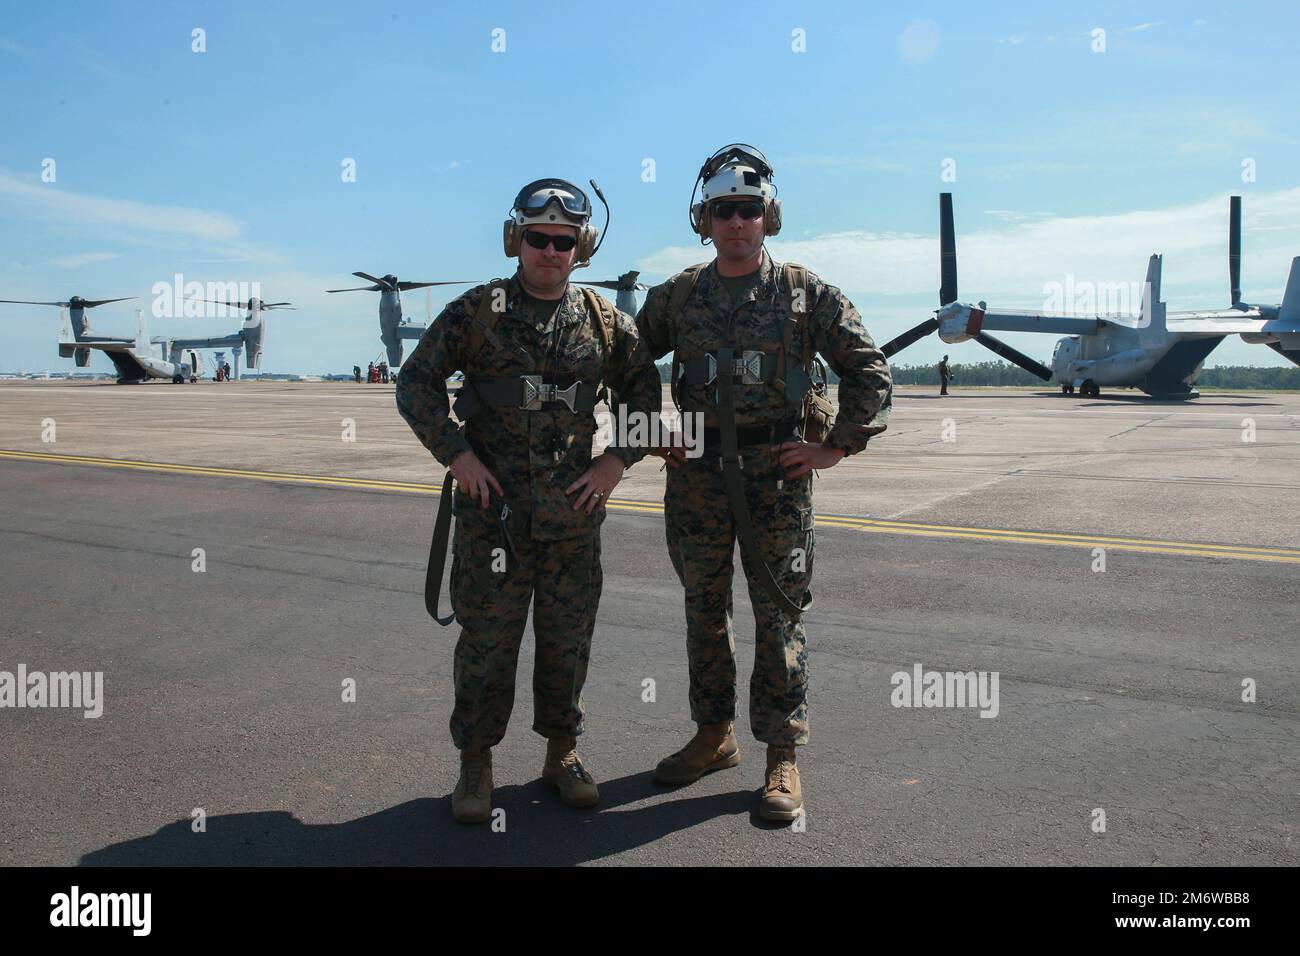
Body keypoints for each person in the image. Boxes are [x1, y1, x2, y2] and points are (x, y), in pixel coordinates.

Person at [635, 144, 892, 821]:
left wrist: (834, 447)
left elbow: (871, 373)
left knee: (779, 617)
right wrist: (645, 430)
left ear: (768, 215)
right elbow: (619, 361)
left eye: (749, 209)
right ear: (705, 219)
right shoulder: (680, 297)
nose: (737, 222)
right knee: (703, 610)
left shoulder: (806, 294)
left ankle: (782, 753)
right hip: (697, 482)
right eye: (724, 210)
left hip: (777, 484)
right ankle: (713, 735)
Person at [396, 177, 661, 824]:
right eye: (539, 238)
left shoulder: (605, 323)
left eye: (563, 241)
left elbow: (646, 402)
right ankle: (476, 764)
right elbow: (416, 382)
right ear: (518, 241)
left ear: (581, 247)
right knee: (487, 644)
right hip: (493, 518)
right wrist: (456, 454)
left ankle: (562, 753)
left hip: (574, 518)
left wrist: (613, 464)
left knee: (567, 640)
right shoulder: (478, 311)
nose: (550, 250)